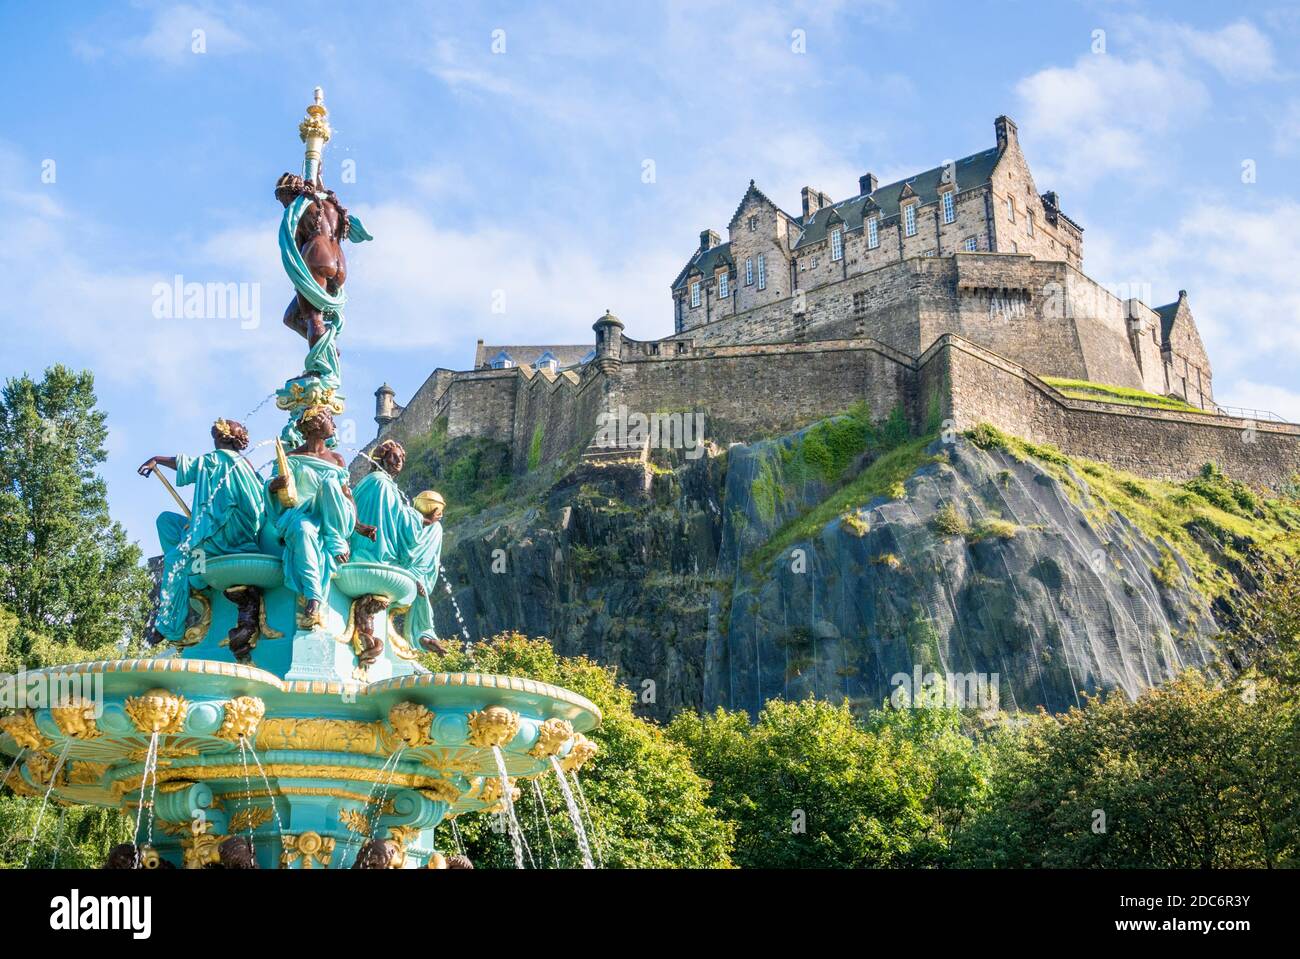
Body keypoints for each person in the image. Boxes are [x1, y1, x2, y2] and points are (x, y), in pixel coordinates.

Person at [138, 419, 265, 647]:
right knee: (167, 521)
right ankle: (194, 568)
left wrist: (156, 459)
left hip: (224, 535)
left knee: (175, 559)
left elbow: (187, 466)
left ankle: (170, 627)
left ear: (221, 438)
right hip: (222, 527)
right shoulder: (245, 464)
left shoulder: (219, 459)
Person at [268, 406, 374, 629]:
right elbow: (272, 488)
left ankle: (335, 540)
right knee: (302, 530)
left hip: (335, 516)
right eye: (330, 420)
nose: (334, 425)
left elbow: (347, 495)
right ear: (316, 425)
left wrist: (358, 526)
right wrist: (274, 486)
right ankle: (313, 596)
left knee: (329, 484)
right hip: (303, 514)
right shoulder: (292, 458)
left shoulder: (336, 459)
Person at [349, 439, 448, 653]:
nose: (399, 461)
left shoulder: (387, 485)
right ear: (381, 458)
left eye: (402, 458)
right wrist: (423, 519)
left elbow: (399, 516)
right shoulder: (378, 482)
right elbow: (396, 517)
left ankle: (423, 633)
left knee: (436, 530)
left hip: (386, 548)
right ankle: (421, 632)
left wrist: (427, 522)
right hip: (372, 551)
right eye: (394, 456)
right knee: (430, 527)